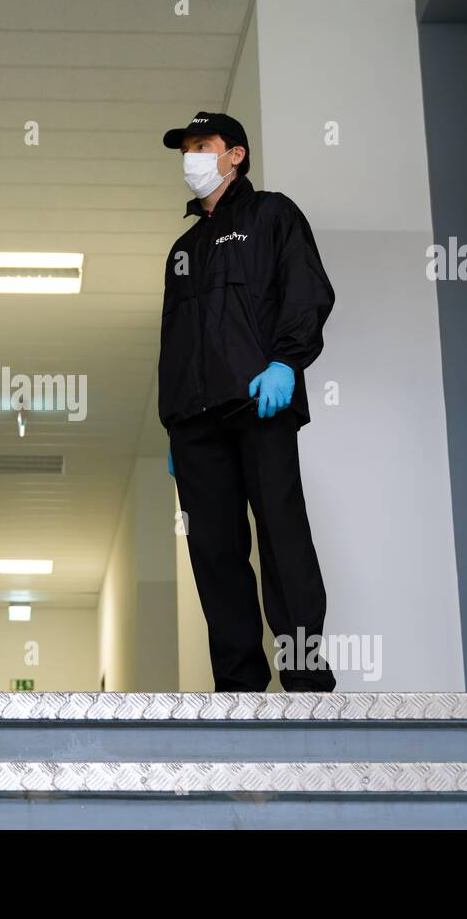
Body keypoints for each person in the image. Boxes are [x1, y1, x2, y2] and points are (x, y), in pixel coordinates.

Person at [158, 110, 337, 693]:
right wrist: (171, 427)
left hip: (260, 404)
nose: (192, 158)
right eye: (186, 149)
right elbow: (175, 340)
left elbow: (307, 291)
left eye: (202, 145)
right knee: (215, 554)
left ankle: (305, 679)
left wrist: (287, 361)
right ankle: (238, 688)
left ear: (235, 154)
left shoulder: (272, 215)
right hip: (195, 423)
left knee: (282, 537)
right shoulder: (182, 249)